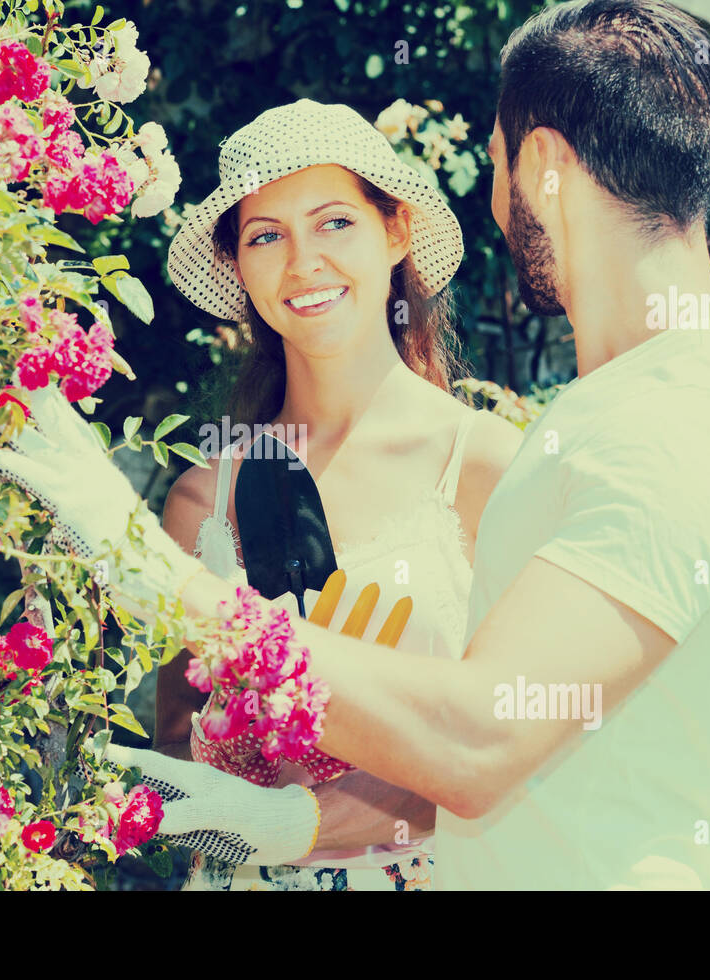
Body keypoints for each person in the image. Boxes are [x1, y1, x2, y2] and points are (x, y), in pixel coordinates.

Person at [0, 0, 710, 889]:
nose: (499, 201)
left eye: (500, 167)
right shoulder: (620, 415)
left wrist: (163, 582)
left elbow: (478, 735)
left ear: (541, 167)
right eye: (266, 237)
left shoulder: (683, 421)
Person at [154, 99, 523, 890]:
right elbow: (177, 755)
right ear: (238, 267)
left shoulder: (486, 468)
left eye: (333, 223)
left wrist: (308, 817)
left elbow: (520, 743)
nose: (302, 264)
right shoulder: (201, 504)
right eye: (266, 236)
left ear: (393, 233)